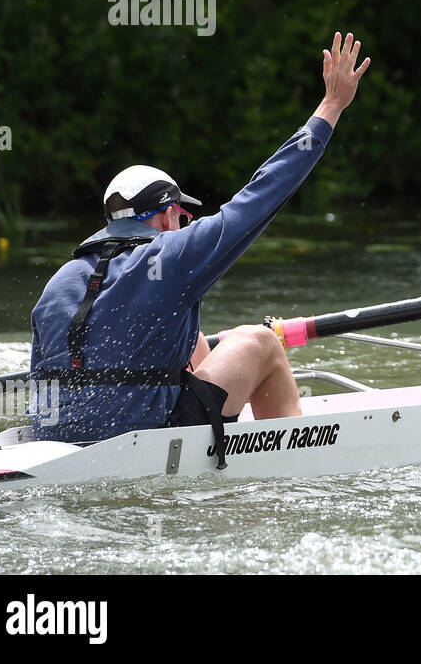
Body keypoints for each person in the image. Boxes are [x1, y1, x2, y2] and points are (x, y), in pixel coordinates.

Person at [29, 33, 371, 465]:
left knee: (190, 343)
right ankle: (293, 469)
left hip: (53, 441)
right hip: (139, 443)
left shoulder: (61, 280)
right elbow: (261, 198)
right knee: (259, 341)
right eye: (182, 218)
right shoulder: (169, 257)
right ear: (168, 215)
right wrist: (331, 107)